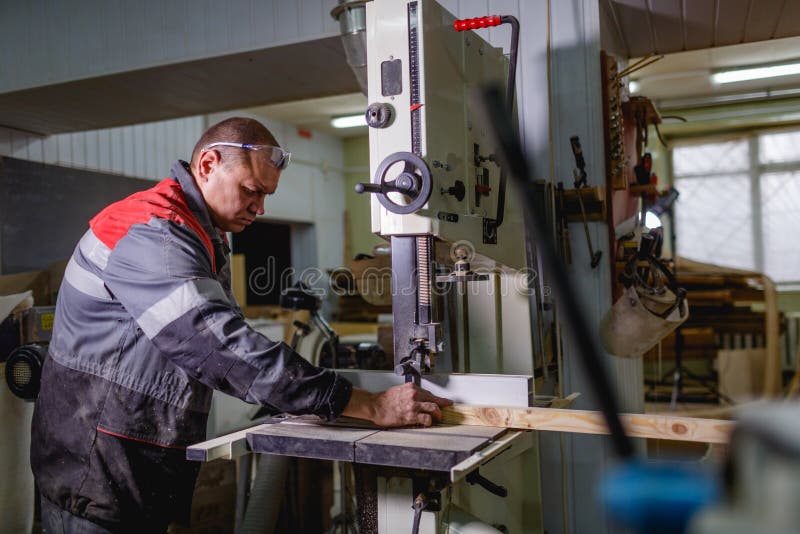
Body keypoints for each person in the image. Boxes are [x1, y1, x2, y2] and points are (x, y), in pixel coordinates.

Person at [30, 117, 451, 533]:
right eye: (252, 190)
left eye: (266, 195)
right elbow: (219, 347)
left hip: (128, 466)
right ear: (208, 164)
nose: (260, 208)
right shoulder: (153, 231)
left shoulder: (199, 235)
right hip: (95, 470)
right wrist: (369, 405)